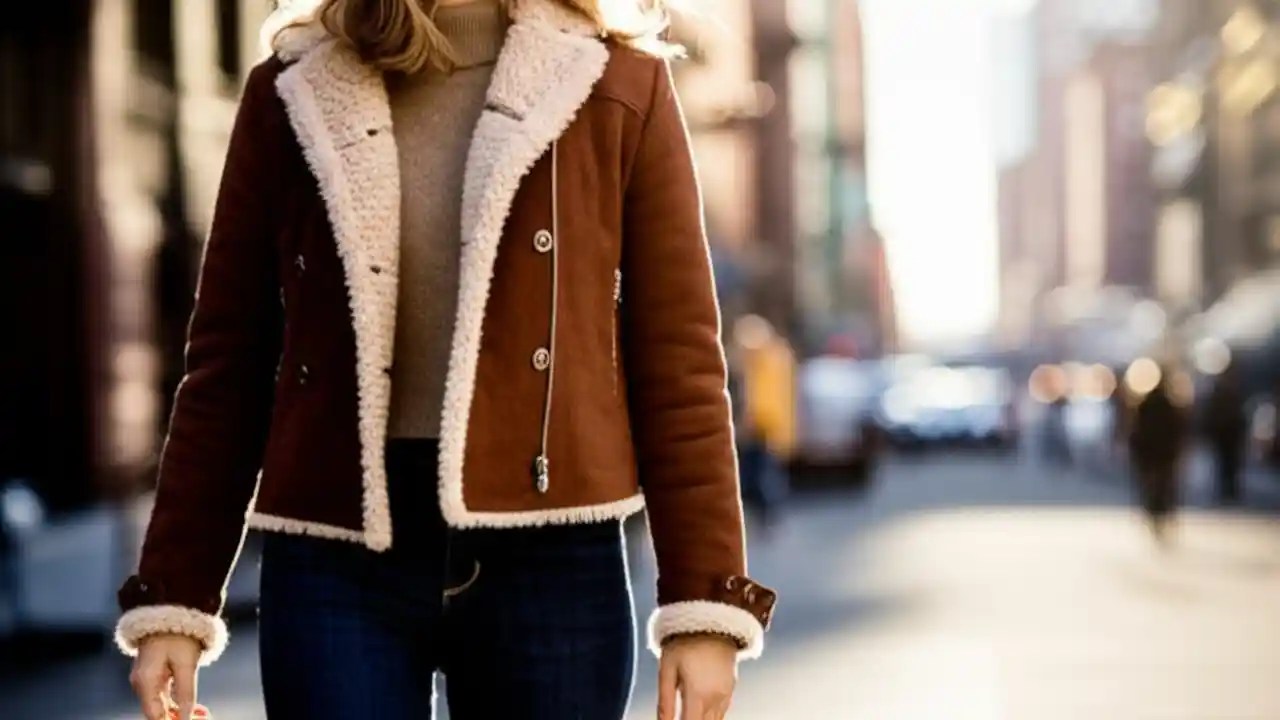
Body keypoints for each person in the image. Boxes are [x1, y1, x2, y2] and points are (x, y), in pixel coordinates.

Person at [114, 2, 776, 719]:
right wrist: (174, 596)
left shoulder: (616, 84)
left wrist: (707, 605)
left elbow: (679, 362)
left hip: (551, 556)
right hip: (339, 557)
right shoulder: (293, 88)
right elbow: (229, 363)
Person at [1128, 370, 1190, 544]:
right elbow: (1178, 430)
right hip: (1163, 453)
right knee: (1164, 486)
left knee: (1153, 486)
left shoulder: (1146, 404)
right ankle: (1161, 513)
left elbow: (1136, 430)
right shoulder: (1169, 405)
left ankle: (1155, 513)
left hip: (1151, 453)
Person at [1204, 364, 1249, 505]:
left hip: (1230, 435)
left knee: (1231, 464)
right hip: (1224, 435)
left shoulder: (1234, 391)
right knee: (1226, 463)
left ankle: (1230, 490)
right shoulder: (1223, 393)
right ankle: (1227, 490)